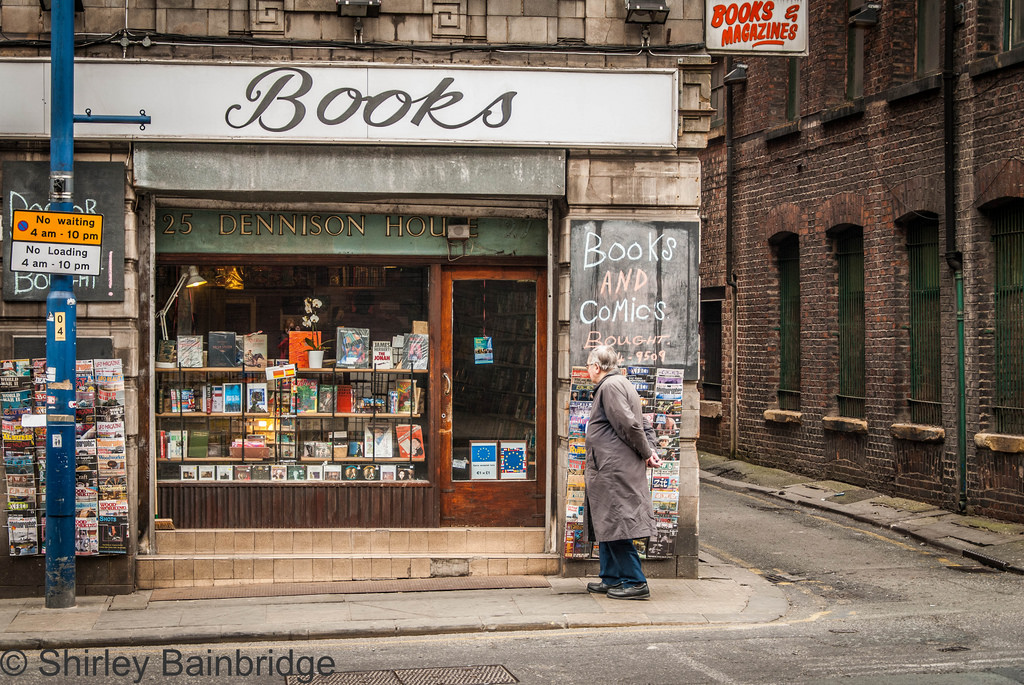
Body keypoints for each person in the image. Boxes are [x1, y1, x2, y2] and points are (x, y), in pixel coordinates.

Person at [582, 344, 663, 600]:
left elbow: (630, 425)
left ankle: (635, 582)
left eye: (588, 365)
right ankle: (612, 577)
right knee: (607, 522)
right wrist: (651, 448)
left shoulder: (610, 386)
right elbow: (643, 421)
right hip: (609, 468)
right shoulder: (621, 383)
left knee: (618, 525)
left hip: (613, 470)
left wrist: (648, 452)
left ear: (597, 367)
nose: (587, 370)